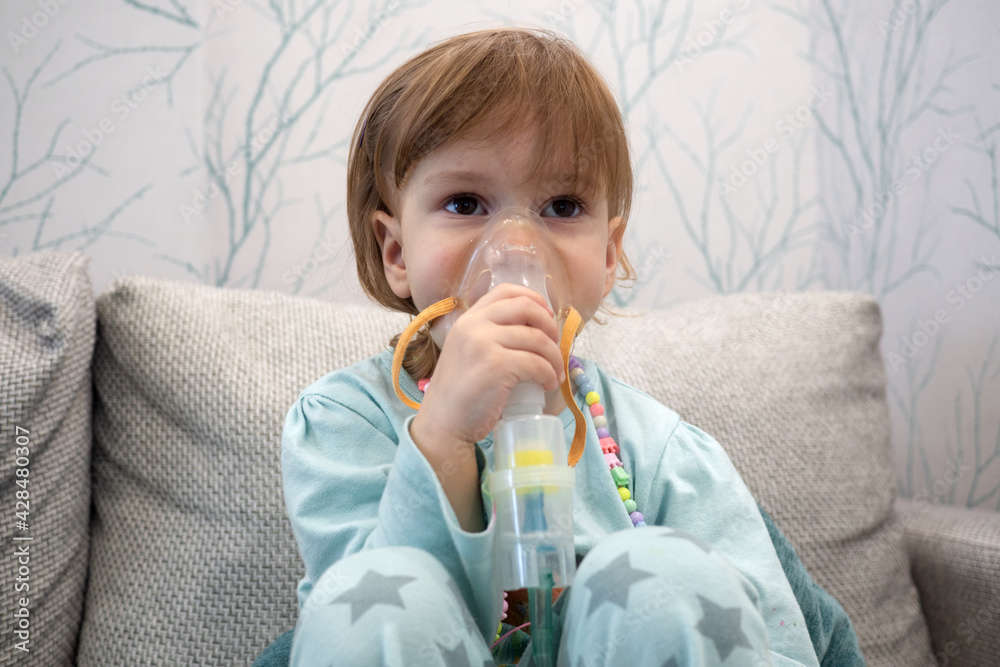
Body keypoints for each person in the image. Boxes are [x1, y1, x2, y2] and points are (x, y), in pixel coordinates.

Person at [280, 26, 861, 667]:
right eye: (466, 202)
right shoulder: (341, 426)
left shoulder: (660, 452)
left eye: (562, 205)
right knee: (377, 598)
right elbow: (356, 635)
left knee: (666, 573)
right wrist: (442, 436)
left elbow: (772, 644)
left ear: (608, 256)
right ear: (397, 253)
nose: (516, 246)